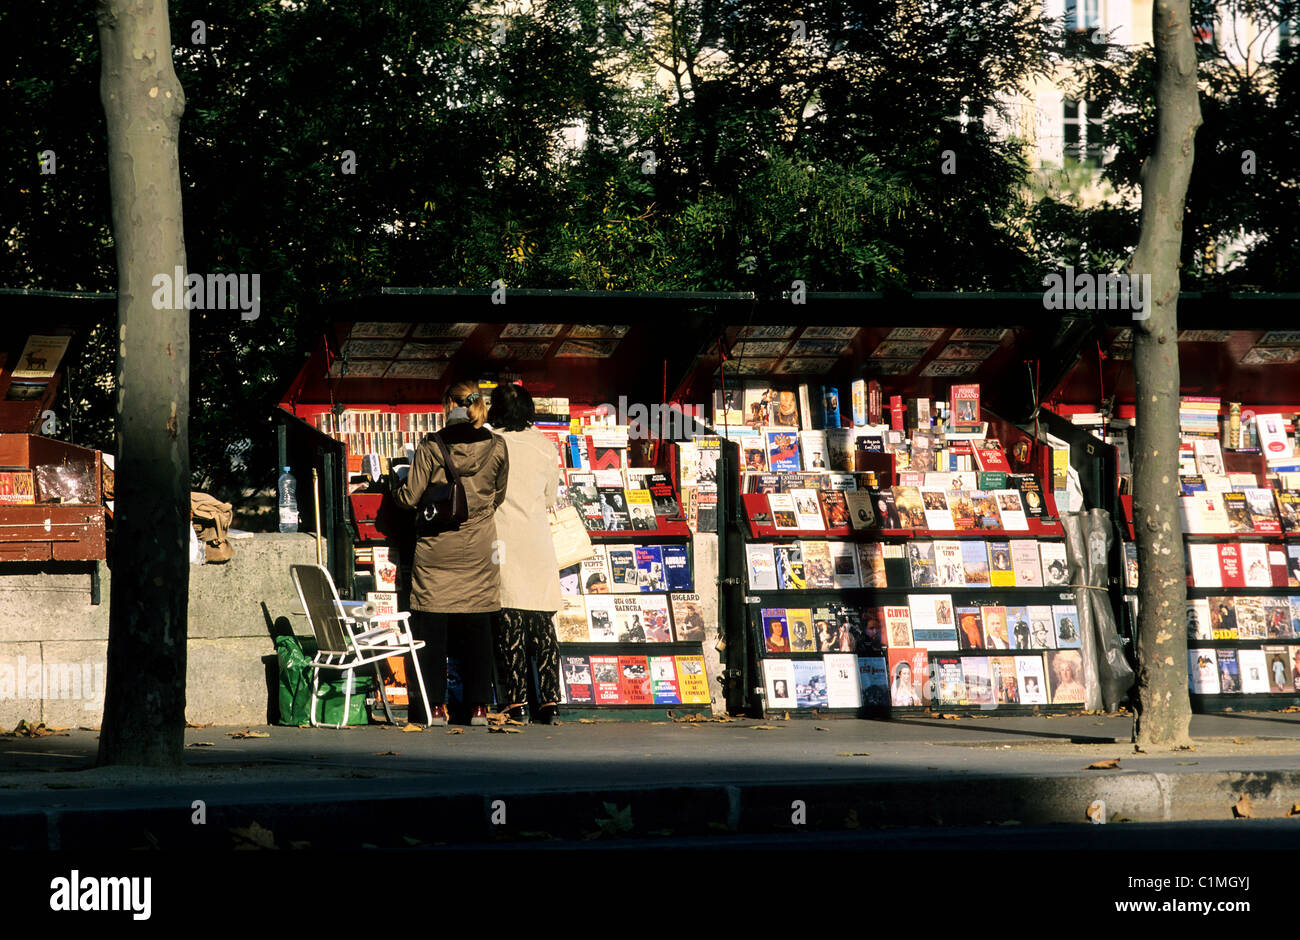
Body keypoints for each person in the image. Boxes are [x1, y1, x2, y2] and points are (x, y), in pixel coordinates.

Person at [392, 380, 508, 727]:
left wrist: (393, 488)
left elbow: (410, 498)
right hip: (480, 549)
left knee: (432, 626)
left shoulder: (431, 446)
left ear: (449, 405)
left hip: (436, 548)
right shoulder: (498, 446)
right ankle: (477, 707)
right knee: (477, 625)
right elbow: (498, 496)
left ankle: (436, 708)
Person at [485, 383, 564, 725]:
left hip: (500, 540)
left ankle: (514, 701)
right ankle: (549, 701)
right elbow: (550, 496)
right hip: (537, 541)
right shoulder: (546, 446)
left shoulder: (490, 443)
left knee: (509, 622)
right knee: (543, 621)